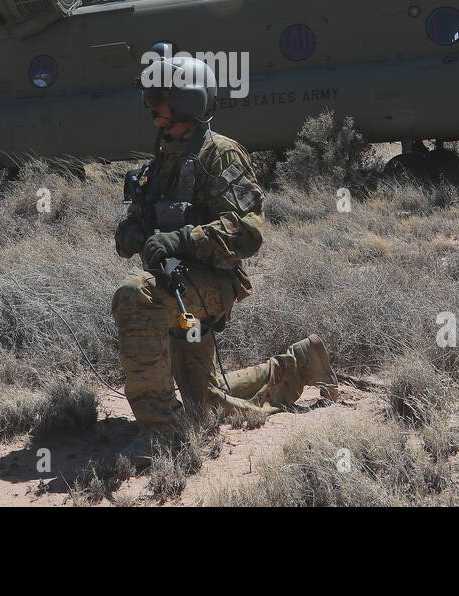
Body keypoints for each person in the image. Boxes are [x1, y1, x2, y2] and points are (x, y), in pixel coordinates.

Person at [111, 50, 339, 462]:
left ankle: (162, 432)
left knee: (134, 295)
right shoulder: (162, 159)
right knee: (206, 403)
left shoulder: (221, 154)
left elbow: (248, 233)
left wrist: (180, 239)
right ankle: (302, 361)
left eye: (159, 99)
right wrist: (135, 234)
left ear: (188, 101)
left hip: (211, 287)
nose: (152, 109)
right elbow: (131, 224)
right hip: (175, 284)